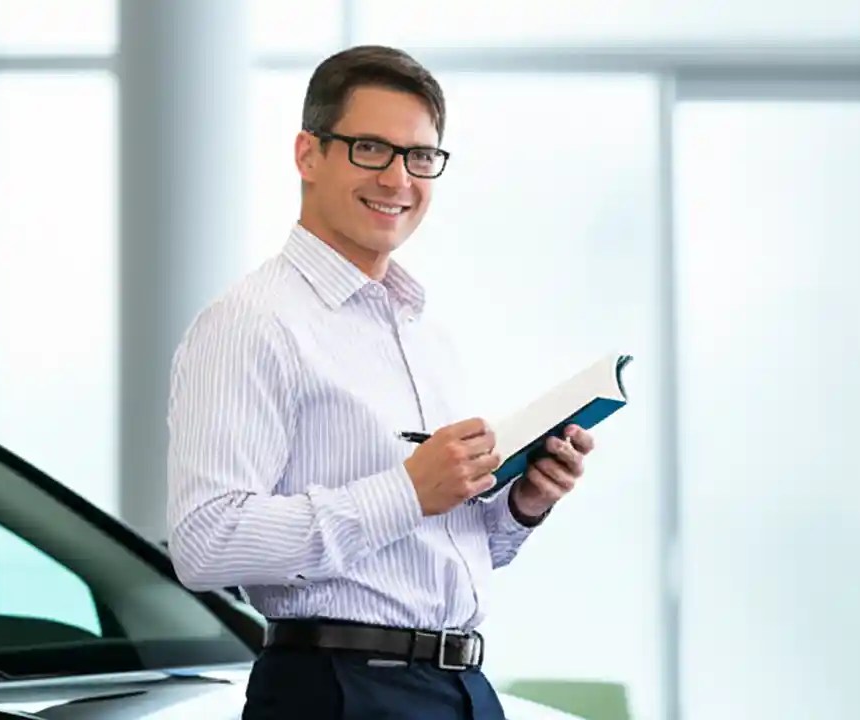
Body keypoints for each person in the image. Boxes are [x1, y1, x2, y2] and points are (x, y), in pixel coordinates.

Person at [165, 44, 596, 720]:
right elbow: (206, 541)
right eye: (371, 148)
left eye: (420, 156)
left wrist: (521, 506)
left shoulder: (424, 334)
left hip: (461, 687)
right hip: (337, 691)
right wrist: (405, 490)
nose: (399, 178)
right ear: (309, 155)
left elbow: (434, 547)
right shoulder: (251, 323)